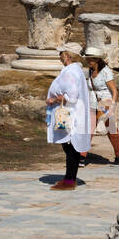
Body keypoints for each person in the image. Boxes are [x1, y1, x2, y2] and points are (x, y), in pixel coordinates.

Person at [45, 43, 91, 191]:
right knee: (70, 146)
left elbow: (71, 96)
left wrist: (54, 100)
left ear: (67, 56)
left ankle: (69, 180)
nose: (59, 56)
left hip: (71, 114)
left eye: (61, 53)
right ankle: (69, 178)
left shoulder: (71, 72)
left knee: (70, 146)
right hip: (74, 112)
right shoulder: (75, 70)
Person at [85, 48, 119, 166]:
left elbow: (114, 91)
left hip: (105, 103)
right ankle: (81, 156)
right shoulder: (90, 70)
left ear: (96, 59)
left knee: (111, 130)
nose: (88, 62)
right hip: (92, 103)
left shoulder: (106, 71)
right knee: (88, 129)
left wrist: (112, 105)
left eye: (90, 60)